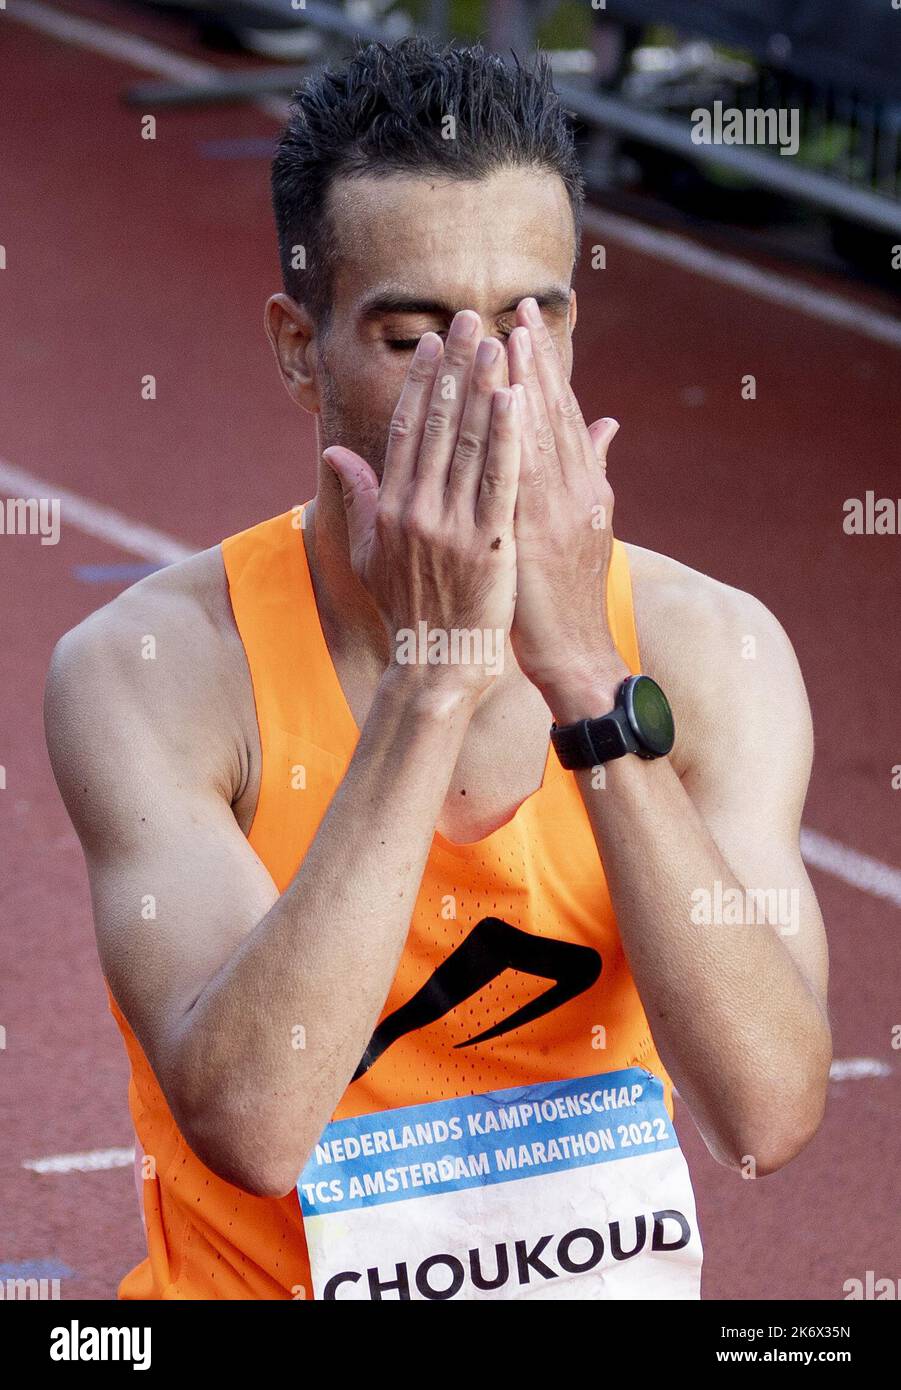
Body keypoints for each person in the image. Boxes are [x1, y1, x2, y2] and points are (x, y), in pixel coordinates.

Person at [45, 37, 831, 1301]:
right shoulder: (151, 672)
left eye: (531, 325)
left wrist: (583, 680)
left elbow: (768, 1110)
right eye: (415, 337)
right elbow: (252, 1124)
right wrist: (432, 681)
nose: (486, 386)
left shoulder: (706, 648)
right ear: (300, 351)